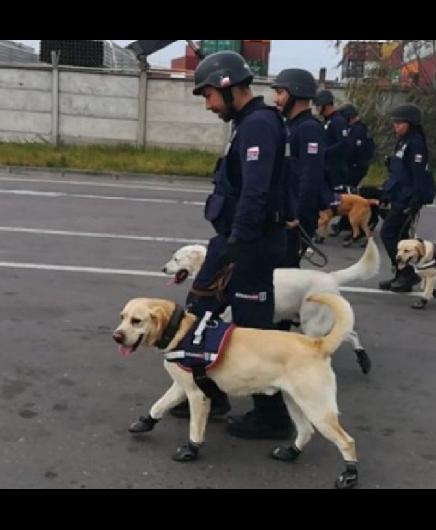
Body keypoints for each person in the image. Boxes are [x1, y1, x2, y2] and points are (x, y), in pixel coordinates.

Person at [162, 50, 293, 440]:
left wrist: (238, 240)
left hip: (249, 243)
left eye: (208, 96)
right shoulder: (248, 122)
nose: (207, 105)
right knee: (197, 314)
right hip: (237, 240)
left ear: (228, 86)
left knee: (254, 328)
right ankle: (209, 392)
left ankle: (272, 417)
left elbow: (255, 190)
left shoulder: (258, 125)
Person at [271, 68, 330, 269]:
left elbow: (310, 175)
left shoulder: (309, 128)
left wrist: (299, 214)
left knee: (285, 271)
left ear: (295, 93)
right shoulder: (290, 125)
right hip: (286, 212)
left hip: (297, 217)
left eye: (280, 93)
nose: (276, 99)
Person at [378, 103, 436, 292]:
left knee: (388, 233)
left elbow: (418, 175)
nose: (396, 126)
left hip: (408, 197)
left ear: (410, 123)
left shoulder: (416, 144)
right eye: (395, 122)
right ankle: (402, 274)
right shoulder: (403, 141)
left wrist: (415, 201)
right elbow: (399, 173)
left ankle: (408, 275)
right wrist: (387, 193)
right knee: (400, 238)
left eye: (399, 122)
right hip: (398, 194)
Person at [331, 103, 376, 237]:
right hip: (357, 166)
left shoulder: (357, 130)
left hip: (355, 167)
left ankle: (350, 224)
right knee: (348, 194)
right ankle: (345, 224)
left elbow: (352, 150)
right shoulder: (359, 128)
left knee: (349, 195)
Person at [313, 89, 351, 191]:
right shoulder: (327, 121)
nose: (316, 108)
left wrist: (324, 151)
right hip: (327, 168)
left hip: (335, 169)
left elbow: (344, 144)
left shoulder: (337, 121)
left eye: (318, 105)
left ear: (325, 105)